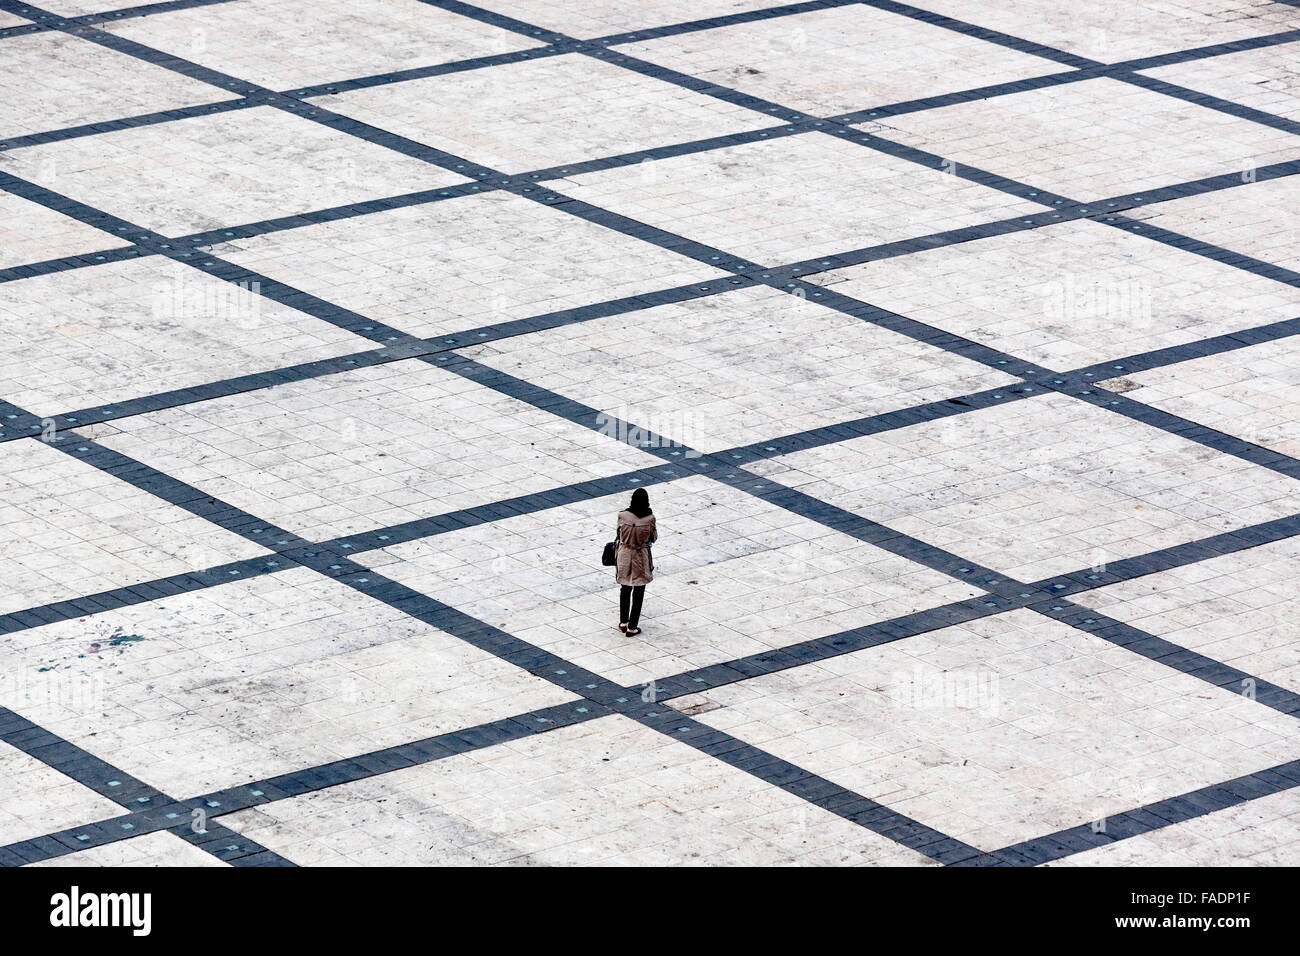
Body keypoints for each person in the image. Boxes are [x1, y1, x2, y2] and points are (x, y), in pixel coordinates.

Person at [615, 488, 656, 636]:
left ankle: (623, 622)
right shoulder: (649, 518)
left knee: (625, 588)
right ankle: (632, 626)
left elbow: (618, 534)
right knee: (639, 591)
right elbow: (653, 538)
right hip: (640, 555)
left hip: (624, 553)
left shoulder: (622, 515)